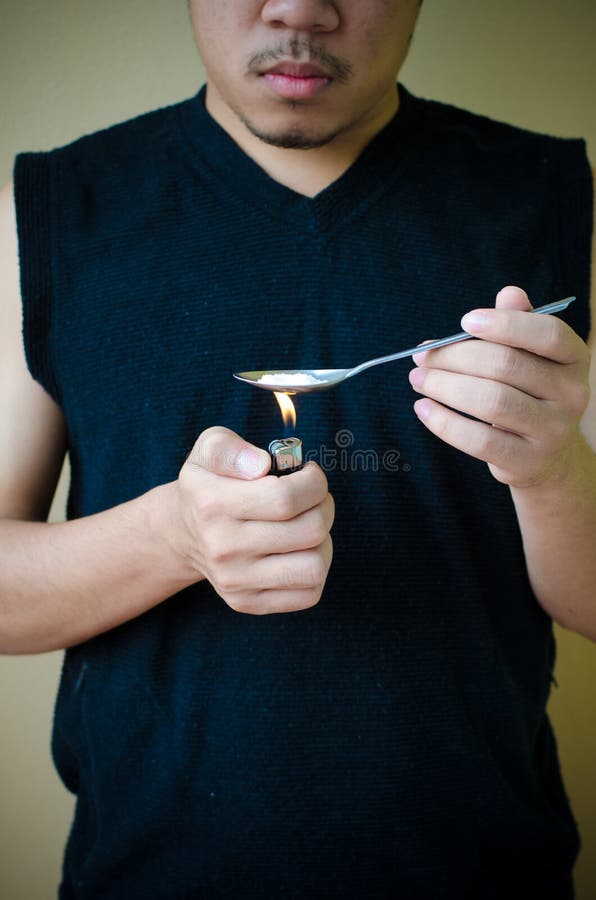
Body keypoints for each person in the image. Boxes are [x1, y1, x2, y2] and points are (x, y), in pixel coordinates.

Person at [1, 1, 594, 897]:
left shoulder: (550, 201)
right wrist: (174, 539)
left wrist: (553, 473)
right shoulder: (50, 212)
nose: (300, 7)